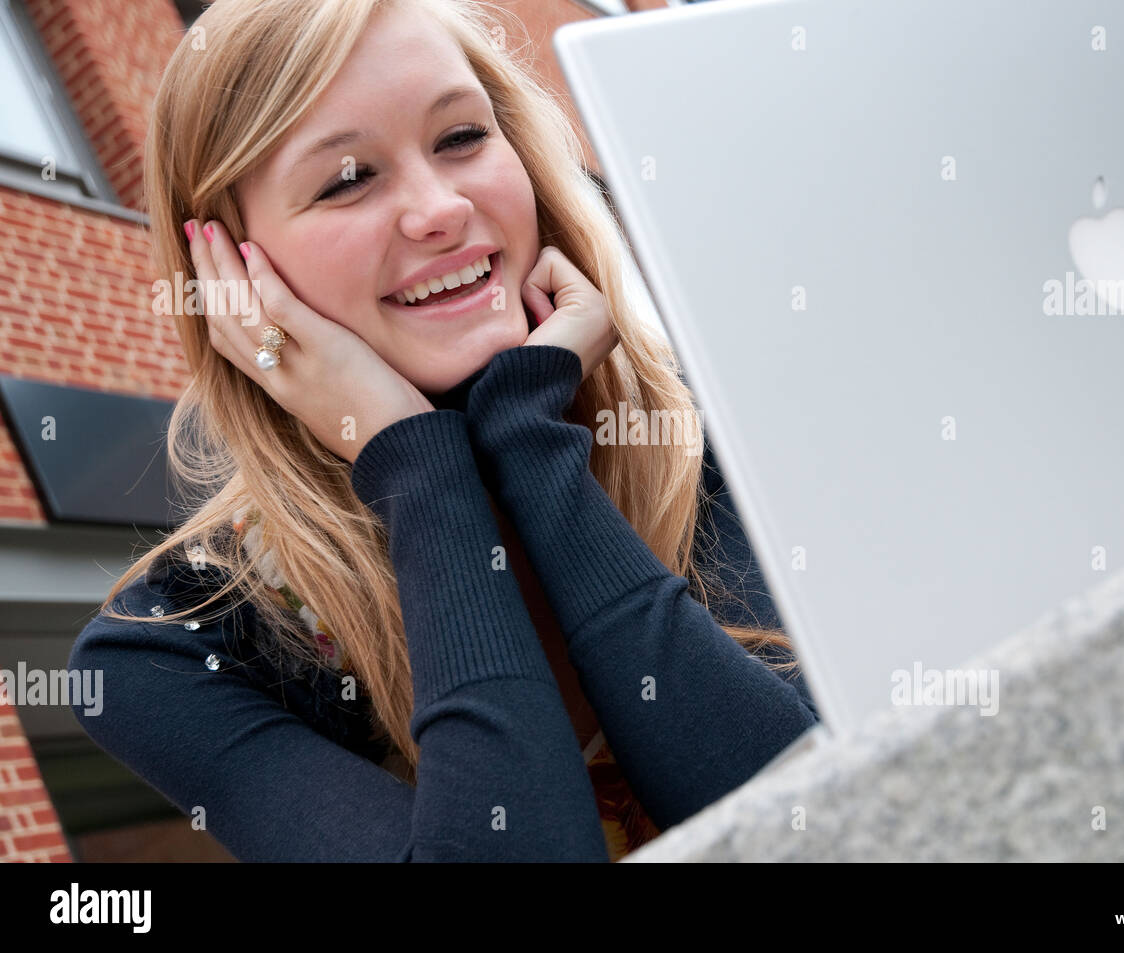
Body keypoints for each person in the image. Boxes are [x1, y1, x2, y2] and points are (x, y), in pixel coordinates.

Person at [69, 0, 819, 862]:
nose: (439, 208)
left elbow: (824, 828)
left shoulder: (716, 433)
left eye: (462, 137)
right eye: (348, 179)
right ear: (235, 271)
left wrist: (530, 439)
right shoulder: (170, 648)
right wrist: (412, 460)